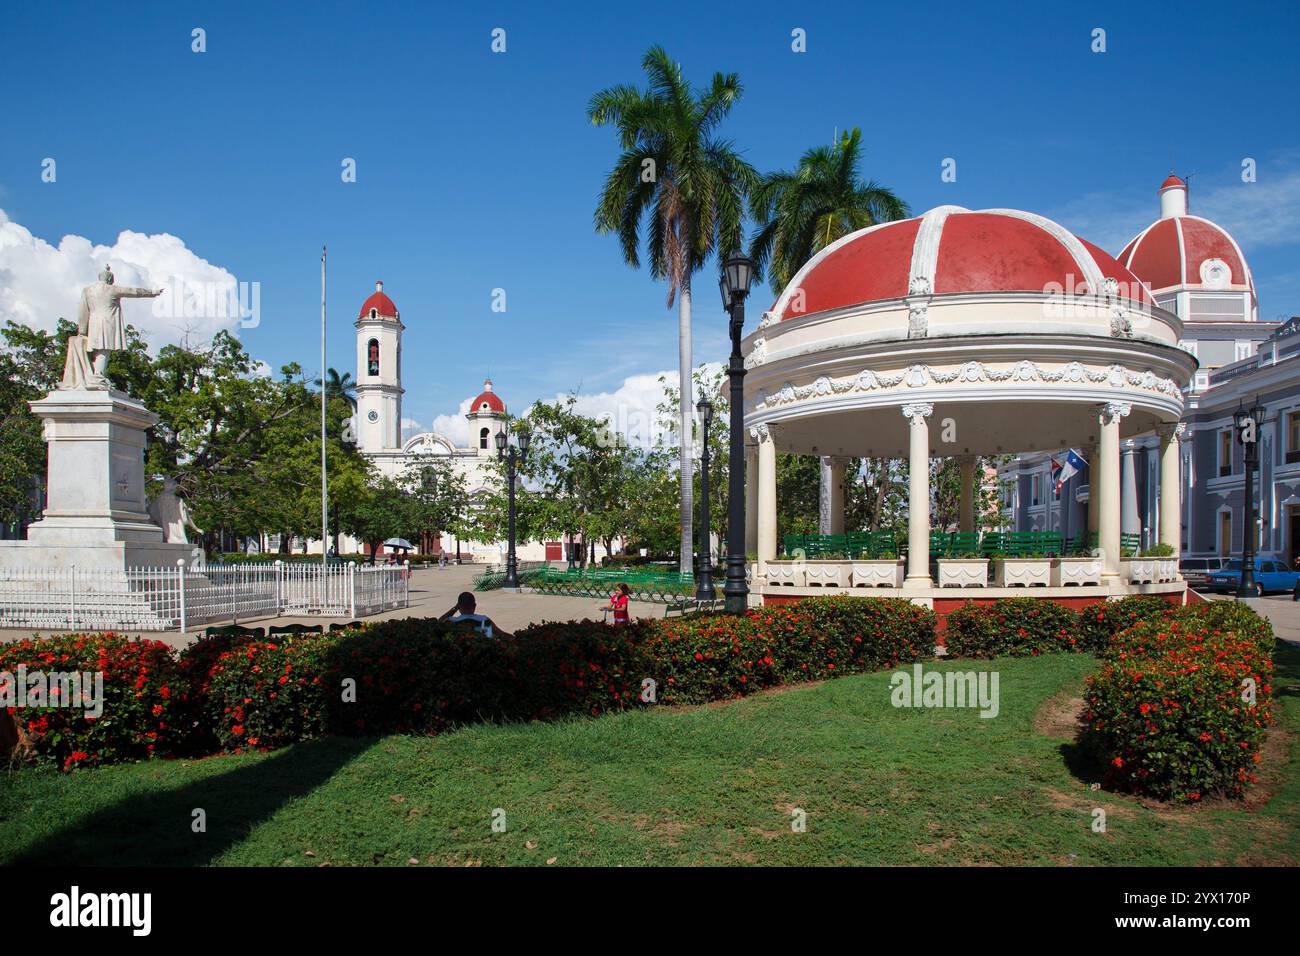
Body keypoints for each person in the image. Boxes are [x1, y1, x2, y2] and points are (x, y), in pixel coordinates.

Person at [439, 591, 511, 638]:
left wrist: (454, 608)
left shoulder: (451, 621)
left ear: (459, 607)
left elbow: (439, 621)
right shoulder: (485, 620)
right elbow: (501, 634)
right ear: (474, 606)